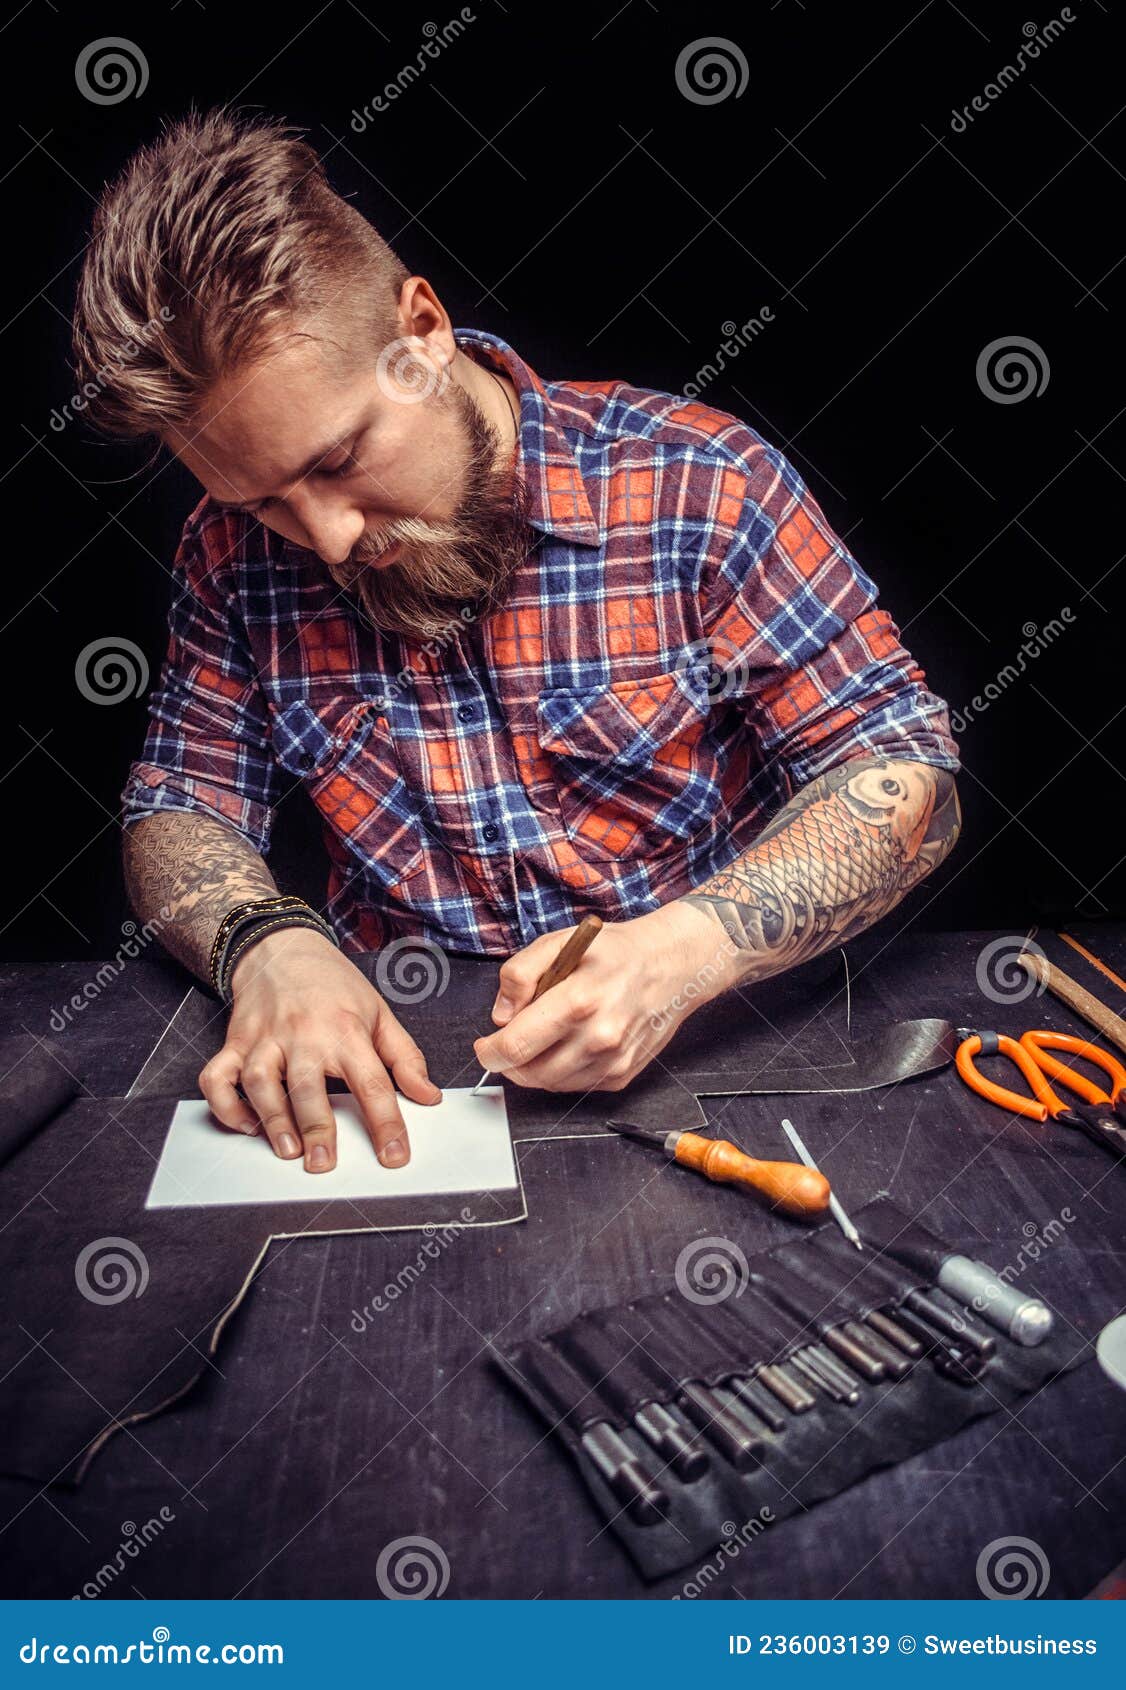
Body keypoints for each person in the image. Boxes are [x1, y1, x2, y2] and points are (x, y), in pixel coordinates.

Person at [71, 109, 961, 1176]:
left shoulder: (700, 483)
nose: (329, 538)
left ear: (423, 333)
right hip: (401, 1081)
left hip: (713, 1044)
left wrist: (687, 950)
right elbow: (180, 802)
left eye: (341, 456)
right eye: (264, 501)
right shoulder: (224, 551)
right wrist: (267, 942)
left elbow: (901, 772)